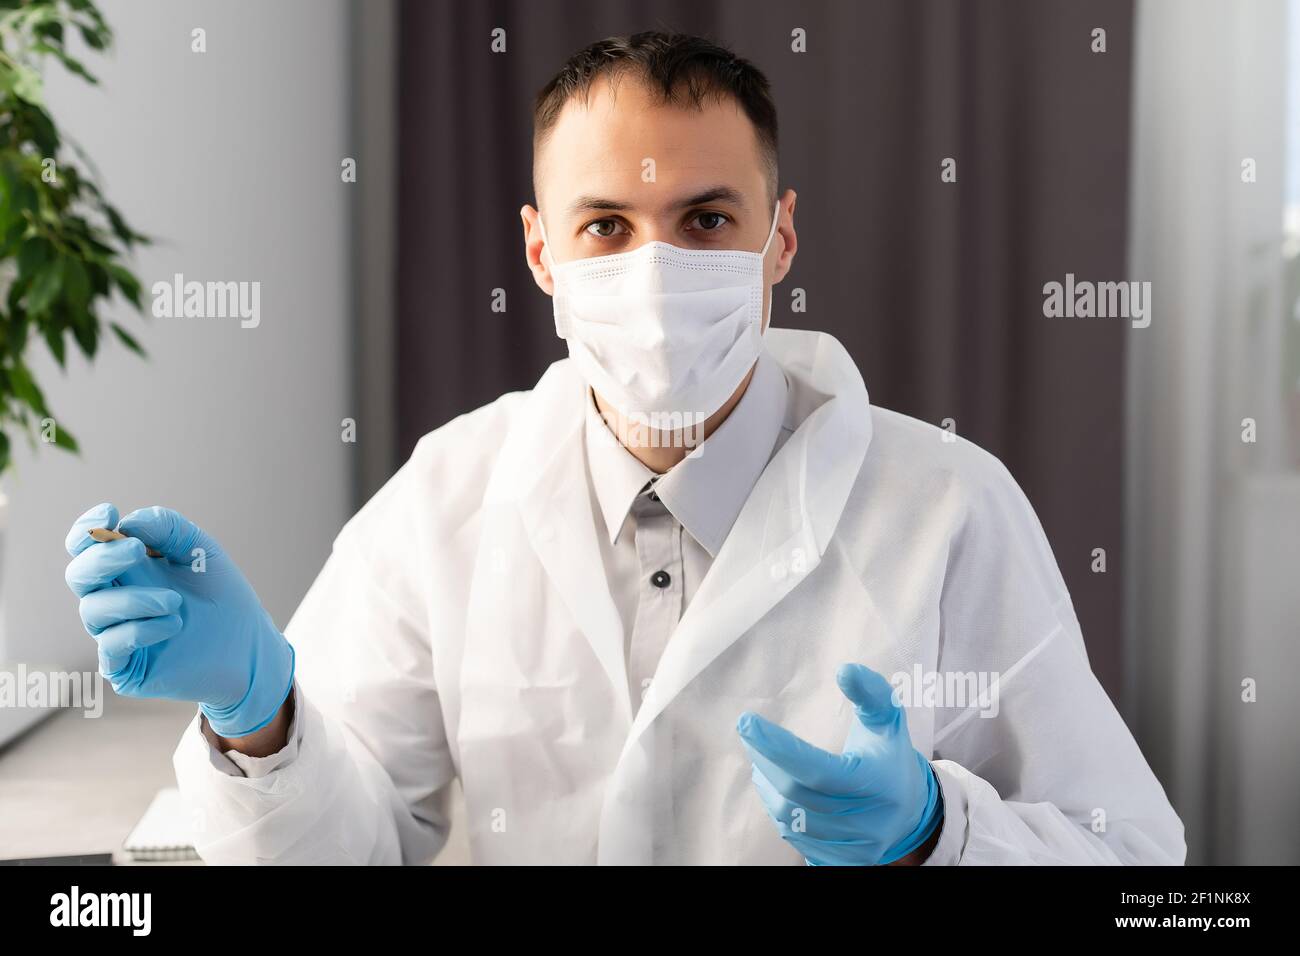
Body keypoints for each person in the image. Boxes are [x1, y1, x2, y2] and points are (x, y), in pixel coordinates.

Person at [62, 32, 1184, 865]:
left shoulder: (948, 506)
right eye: (606, 224)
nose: (654, 270)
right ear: (540, 250)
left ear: (778, 236)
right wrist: (260, 715)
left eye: (706, 220)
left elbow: (1139, 862)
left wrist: (938, 830)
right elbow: (353, 848)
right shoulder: (450, 492)